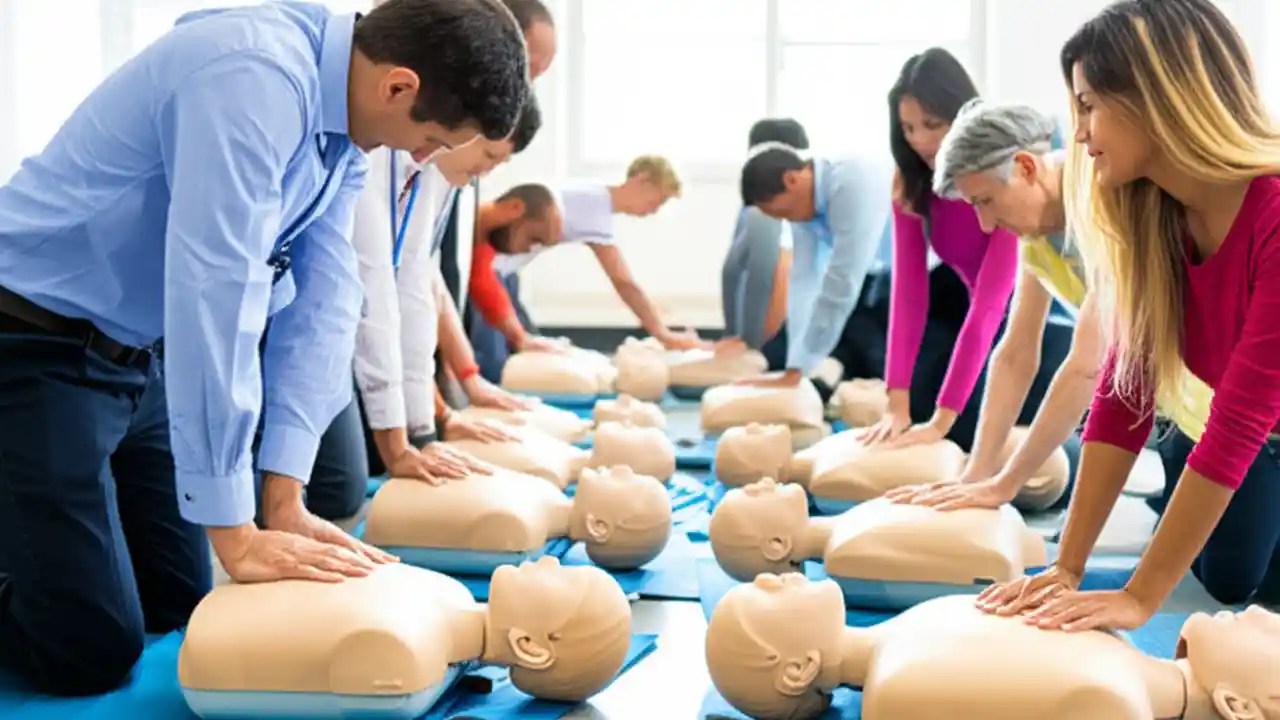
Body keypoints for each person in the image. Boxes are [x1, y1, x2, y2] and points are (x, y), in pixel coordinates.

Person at [0, 0, 528, 696]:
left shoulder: (341, 132)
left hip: (131, 357)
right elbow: (216, 295)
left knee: (182, 605)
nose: (420, 158)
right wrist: (236, 535)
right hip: (31, 343)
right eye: (429, 139)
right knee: (88, 651)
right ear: (397, 86)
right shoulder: (251, 74)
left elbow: (326, 301)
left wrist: (283, 497)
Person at [978, 0, 1280, 629]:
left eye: (1088, 106)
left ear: (1158, 96)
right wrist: (1067, 566)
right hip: (1256, 438)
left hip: (1259, 435)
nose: (1079, 134)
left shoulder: (1273, 213)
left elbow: (1241, 420)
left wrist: (1141, 597)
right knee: (1233, 578)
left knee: (1236, 581)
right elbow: (1125, 394)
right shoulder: (1158, 221)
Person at [886, 101, 1091, 511]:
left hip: (1226, 383)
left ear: (1026, 168)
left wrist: (1005, 484)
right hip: (1161, 383)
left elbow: (1088, 365)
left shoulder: (1100, 199)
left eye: (985, 201)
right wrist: (977, 475)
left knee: (1230, 570)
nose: (985, 224)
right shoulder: (1037, 228)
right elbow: (1015, 353)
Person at [344, 94, 546, 495]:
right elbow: (379, 289)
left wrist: (425, 428)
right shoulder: (394, 159)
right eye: (489, 155)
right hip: (331, 322)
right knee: (343, 484)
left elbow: (420, 289)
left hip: (372, 325)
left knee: (365, 468)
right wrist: (407, 440)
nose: (486, 171)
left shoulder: (439, 177)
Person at [859, 47, 1020, 453]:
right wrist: (896, 403)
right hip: (977, 317)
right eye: (908, 127)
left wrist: (942, 419)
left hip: (1029, 321)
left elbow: (993, 300)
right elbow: (909, 294)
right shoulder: (911, 182)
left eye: (932, 124)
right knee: (921, 404)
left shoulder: (1000, 172)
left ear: (962, 115)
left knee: (962, 426)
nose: (919, 140)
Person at [468, 158, 693, 381]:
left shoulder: (592, 195)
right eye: (659, 200)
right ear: (642, 179)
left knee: (533, 351)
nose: (655, 210)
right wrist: (662, 333)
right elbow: (624, 283)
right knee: (495, 363)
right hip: (492, 269)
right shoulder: (596, 207)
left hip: (506, 272)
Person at [737, 143, 894, 388]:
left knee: (903, 369)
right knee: (784, 354)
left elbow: (842, 278)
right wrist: (796, 366)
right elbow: (803, 279)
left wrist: (803, 363)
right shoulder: (802, 202)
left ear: (791, 180)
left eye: (783, 212)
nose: (787, 220)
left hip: (935, 268)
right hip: (880, 272)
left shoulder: (850, 181)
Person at [721, 119, 803, 371]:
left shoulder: (767, 211)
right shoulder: (757, 209)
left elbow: (763, 274)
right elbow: (740, 273)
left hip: (776, 338)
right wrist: (741, 339)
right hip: (764, 336)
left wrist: (749, 343)